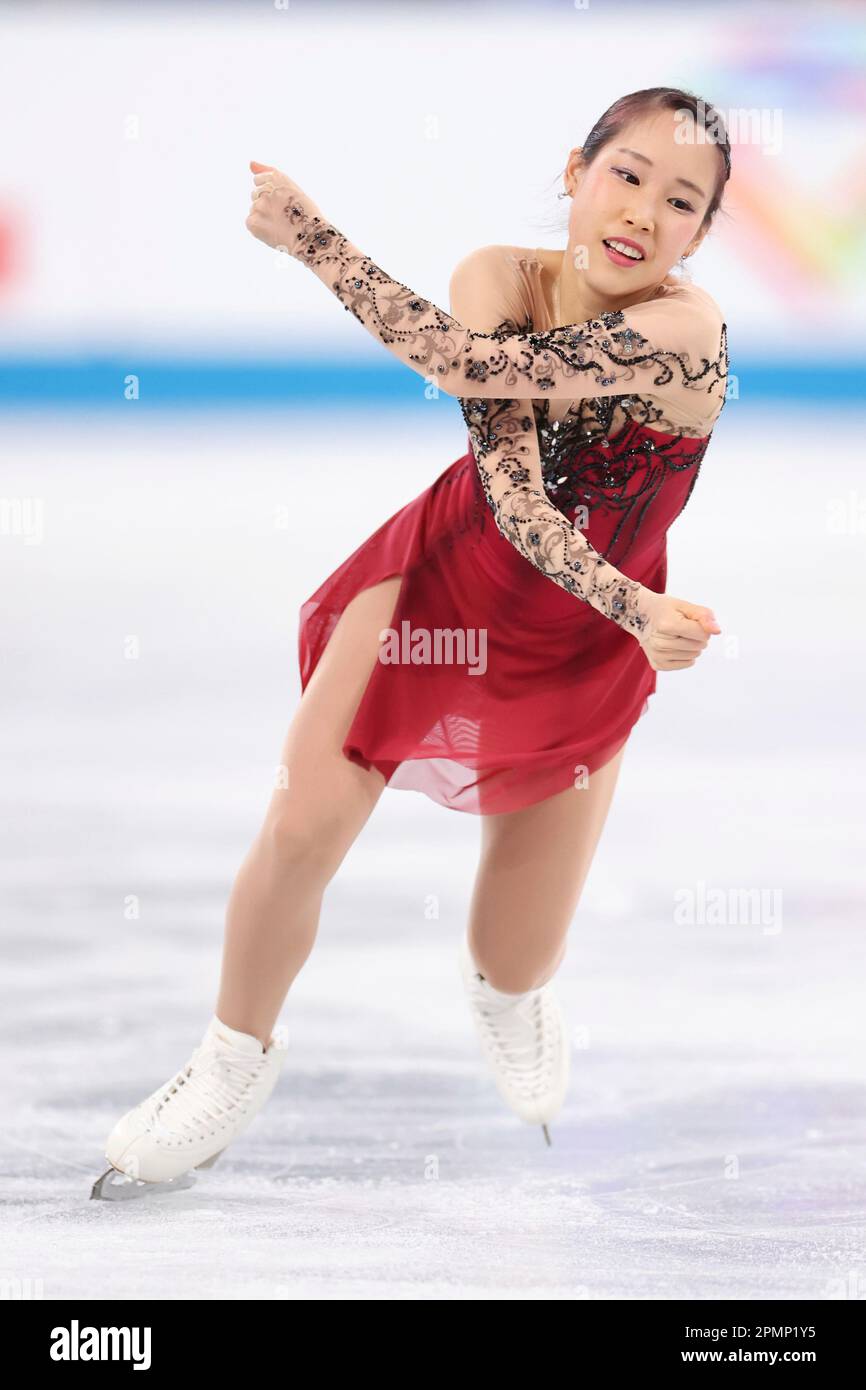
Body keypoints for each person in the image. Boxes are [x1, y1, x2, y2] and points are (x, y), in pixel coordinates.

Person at [98, 87, 731, 1190]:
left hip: (578, 646)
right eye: (624, 173)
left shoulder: (683, 335)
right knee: (299, 826)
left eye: (679, 200)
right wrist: (309, 239)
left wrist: (312, 245)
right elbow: (510, 482)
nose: (641, 210)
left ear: (698, 234)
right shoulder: (497, 277)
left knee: (512, 950)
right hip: (438, 585)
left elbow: (479, 374)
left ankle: (508, 995)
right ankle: (230, 1056)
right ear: (575, 170)